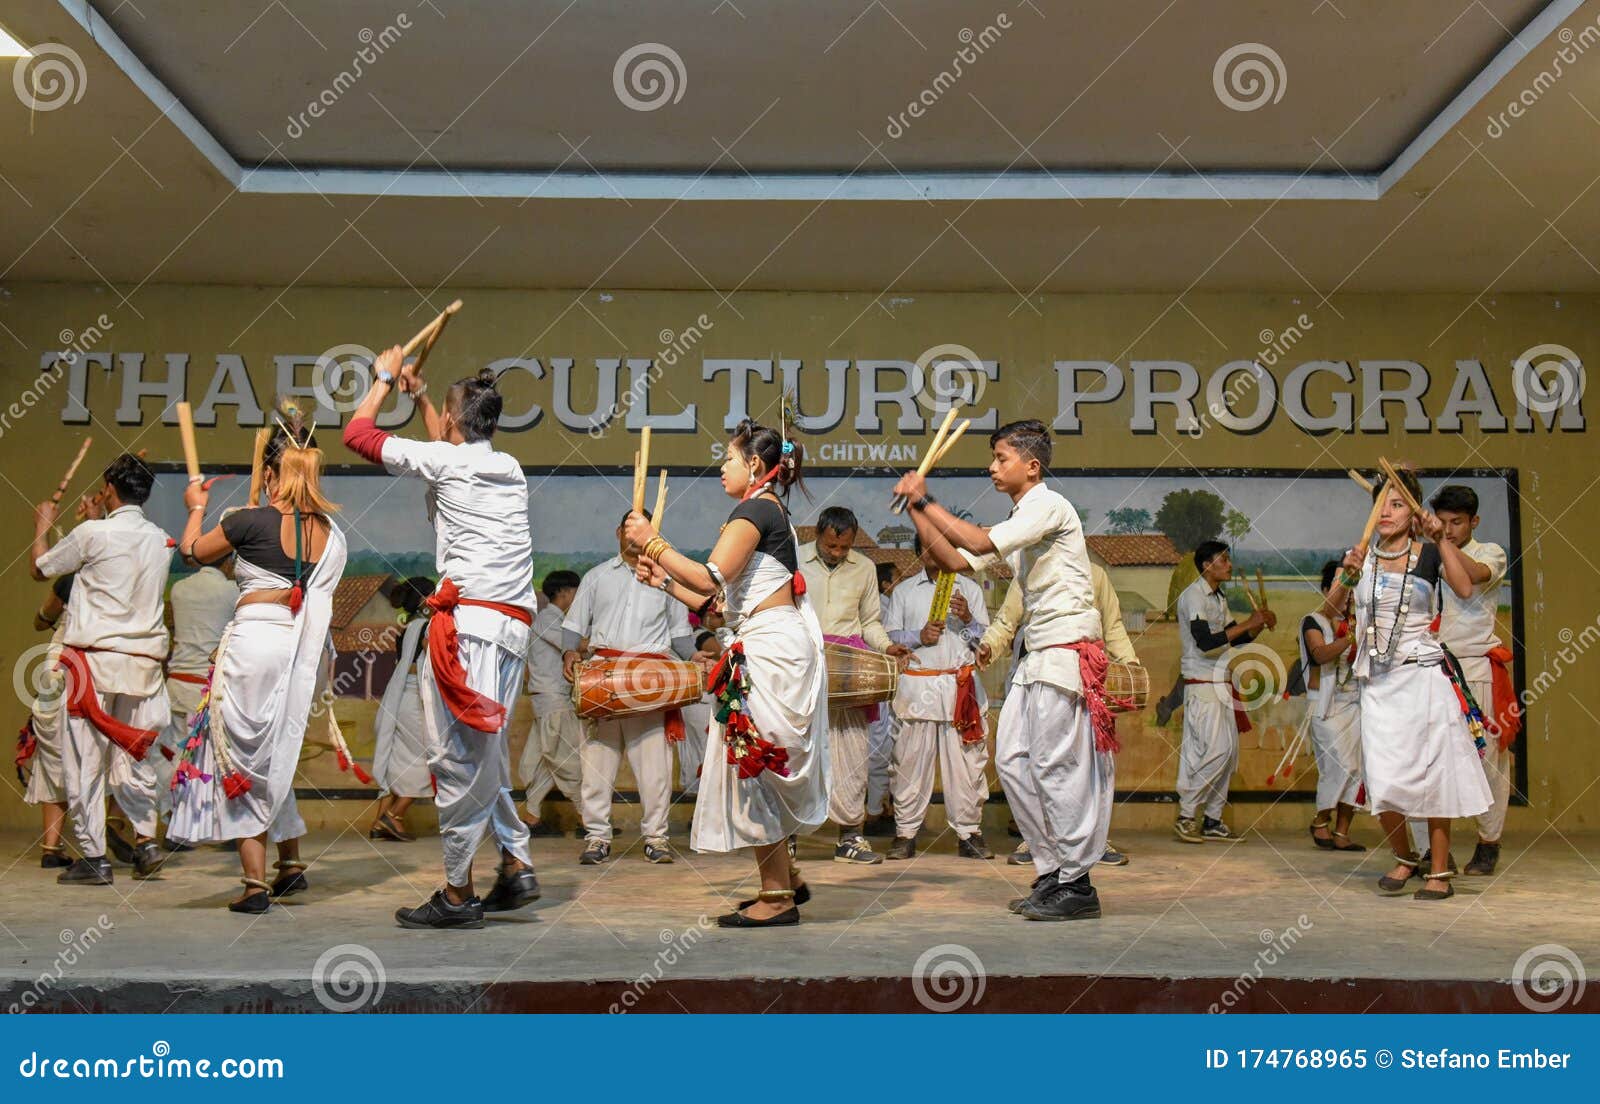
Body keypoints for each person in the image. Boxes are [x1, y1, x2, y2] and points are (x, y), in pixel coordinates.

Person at [344, 347, 539, 929]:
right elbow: (448, 451)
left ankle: (458, 893)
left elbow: (356, 434)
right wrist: (426, 398)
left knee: (454, 758)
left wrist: (382, 379)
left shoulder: (447, 462)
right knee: (486, 752)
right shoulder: (509, 467)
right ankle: (515, 862)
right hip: (510, 629)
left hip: (470, 628)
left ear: (454, 426)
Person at [893, 418, 1114, 922]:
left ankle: (1078, 883)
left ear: (1032, 466)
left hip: (1063, 651)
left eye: (1000, 458)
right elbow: (955, 557)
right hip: (1036, 656)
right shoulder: (1022, 516)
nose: (992, 467)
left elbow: (977, 539)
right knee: (1014, 761)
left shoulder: (1047, 504)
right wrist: (916, 512)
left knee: (1057, 767)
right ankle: (1052, 870)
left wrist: (925, 500)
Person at [622, 417, 827, 927]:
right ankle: (786, 878)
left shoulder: (755, 508)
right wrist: (664, 582)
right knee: (755, 758)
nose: (722, 468)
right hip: (767, 642)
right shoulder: (764, 509)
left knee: (755, 760)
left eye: (728, 459)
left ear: (755, 465)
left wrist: (652, 541)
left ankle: (777, 897)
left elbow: (711, 575)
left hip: (770, 650)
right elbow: (717, 604)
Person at [169, 409, 345, 913]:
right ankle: (289, 863)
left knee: (243, 752)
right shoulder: (330, 534)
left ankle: (254, 884)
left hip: (252, 642)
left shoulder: (245, 521)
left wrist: (196, 507)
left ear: (270, 474)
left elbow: (192, 553)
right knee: (276, 751)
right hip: (297, 646)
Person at [1326, 470, 1492, 900]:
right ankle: (1404, 857)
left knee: (1432, 775)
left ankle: (1439, 871)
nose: (1385, 511)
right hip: (1378, 685)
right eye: (1380, 503)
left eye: (1397, 503)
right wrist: (1346, 576)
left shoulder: (1429, 555)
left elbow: (1464, 587)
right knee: (1382, 779)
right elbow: (1329, 612)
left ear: (1414, 510)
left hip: (1422, 678)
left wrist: (1442, 539)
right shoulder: (1361, 556)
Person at [32, 454, 171, 885]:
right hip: (143, 664)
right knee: (135, 756)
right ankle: (147, 842)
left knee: (84, 760)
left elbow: (41, 568)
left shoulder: (92, 533)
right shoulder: (160, 539)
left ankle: (95, 857)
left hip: (93, 662)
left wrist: (42, 523)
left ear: (109, 489)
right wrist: (95, 520)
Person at [563, 511, 696, 865]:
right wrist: (568, 651)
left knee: (655, 767)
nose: (634, 536)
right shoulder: (597, 577)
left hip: (650, 680)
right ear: (618, 532)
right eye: (628, 529)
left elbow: (681, 635)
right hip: (602, 679)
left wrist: (699, 659)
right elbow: (574, 625)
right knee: (596, 763)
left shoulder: (665, 579)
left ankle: (656, 837)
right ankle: (596, 838)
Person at [986, 561, 1139, 867]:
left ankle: (1091, 840)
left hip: (1084, 678)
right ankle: (1040, 840)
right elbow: (1006, 622)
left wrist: (1130, 662)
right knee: (1029, 762)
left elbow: (1113, 625)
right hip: (1034, 675)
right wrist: (988, 646)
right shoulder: (1028, 572)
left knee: (1084, 764)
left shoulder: (1094, 574)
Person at [1405, 485, 1514, 876]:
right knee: (1424, 761)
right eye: (1444, 522)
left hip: (1476, 668)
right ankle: (1431, 851)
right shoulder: (1428, 552)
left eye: (1457, 523)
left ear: (1474, 522)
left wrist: (1438, 540)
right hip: (1433, 669)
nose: (1449, 529)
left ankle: (1489, 841)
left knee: (1488, 761)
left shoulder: (1490, 552)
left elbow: (1471, 577)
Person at [799, 506, 910, 863]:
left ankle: (850, 836)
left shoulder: (863, 568)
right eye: (831, 546)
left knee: (852, 753)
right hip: (803, 665)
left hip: (850, 668)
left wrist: (888, 647)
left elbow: (870, 623)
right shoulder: (794, 558)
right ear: (819, 534)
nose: (837, 553)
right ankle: (788, 836)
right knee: (797, 752)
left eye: (844, 548)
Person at [881, 537, 992, 859]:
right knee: (910, 762)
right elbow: (889, 638)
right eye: (930, 547)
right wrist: (919, 636)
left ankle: (970, 833)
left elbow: (983, 644)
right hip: (918, 688)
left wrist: (969, 620)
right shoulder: (904, 592)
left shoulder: (969, 590)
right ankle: (905, 833)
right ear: (919, 553)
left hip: (961, 687)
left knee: (967, 764)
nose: (938, 553)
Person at [1172, 541, 1274, 844]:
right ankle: (1187, 814)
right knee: (1215, 751)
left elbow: (1236, 640)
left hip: (1221, 684)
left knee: (1228, 757)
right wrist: (1248, 623)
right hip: (1203, 686)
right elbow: (1205, 643)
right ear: (1207, 565)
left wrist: (1258, 626)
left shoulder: (1218, 597)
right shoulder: (1193, 596)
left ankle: (1212, 820)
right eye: (1224, 560)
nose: (1229, 565)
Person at [162, 552, 239, 821]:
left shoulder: (180, 589)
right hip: (209, 687)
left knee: (175, 754)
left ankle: (175, 819)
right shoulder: (232, 591)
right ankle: (216, 821)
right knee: (216, 757)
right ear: (228, 562)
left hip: (177, 682)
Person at [1300, 560, 1365, 852]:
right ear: (1326, 590)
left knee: (1357, 768)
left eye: (1350, 589)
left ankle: (1342, 832)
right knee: (1340, 765)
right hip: (1325, 707)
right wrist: (1351, 638)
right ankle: (1320, 820)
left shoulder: (1359, 621)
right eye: (1340, 588)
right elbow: (1319, 655)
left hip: (1354, 704)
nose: (1346, 595)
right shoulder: (1313, 620)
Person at [370, 576, 437, 843]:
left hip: (400, 699)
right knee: (426, 760)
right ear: (424, 599)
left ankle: (378, 823)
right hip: (414, 700)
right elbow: (432, 663)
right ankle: (394, 815)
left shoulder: (409, 625)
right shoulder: (426, 627)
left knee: (397, 762)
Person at [19, 574, 77, 868]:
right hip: (95, 671)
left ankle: (50, 848)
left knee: (53, 756)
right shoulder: (119, 579)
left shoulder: (68, 581)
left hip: (57, 670)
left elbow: (42, 619)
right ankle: (114, 833)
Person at [519, 570, 582, 834]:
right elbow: (576, 648)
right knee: (570, 760)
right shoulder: (547, 619)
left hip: (550, 700)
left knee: (549, 758)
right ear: (565, 592)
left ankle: (531, 817)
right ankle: (588, 820)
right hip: (554, 700)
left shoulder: (552, 619)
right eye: (577, 592)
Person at [864, 561, 900, 834]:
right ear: (886, 584)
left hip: (877, 683)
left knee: (880, 749)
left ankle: (878, 807)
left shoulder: (881, 605)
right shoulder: (883, 607)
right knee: (880, 749)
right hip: (875, 684)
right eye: (897, 578)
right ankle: (874, 810)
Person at [676, 629, 722, 795]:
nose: (708, 664)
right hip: (698, 697)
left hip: (714, 696)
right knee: (703, 747)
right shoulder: (697, 637)